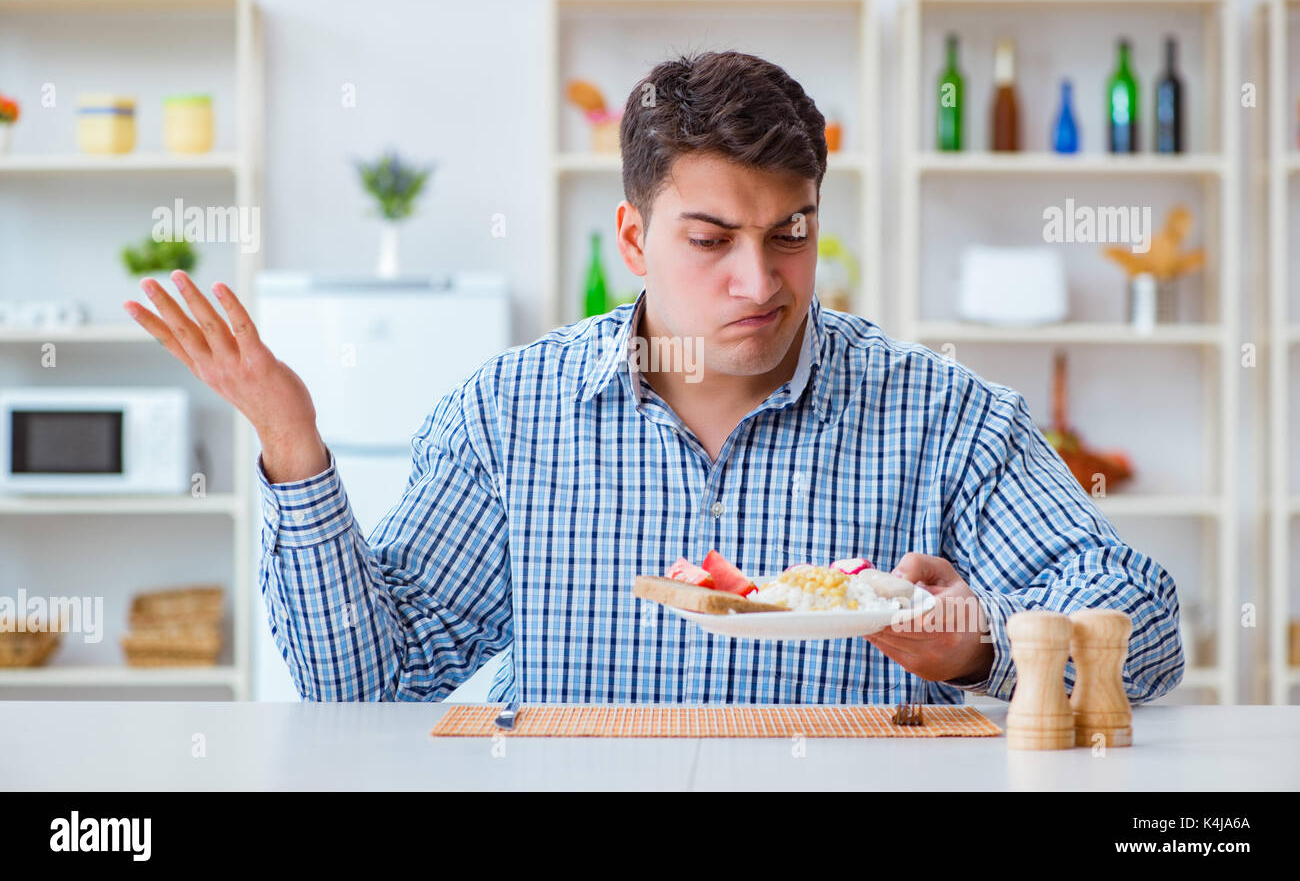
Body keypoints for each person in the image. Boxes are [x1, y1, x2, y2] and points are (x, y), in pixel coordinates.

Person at [123, 50, 1184, 704]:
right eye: (710, 239)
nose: (756, 281)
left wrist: (980, 647)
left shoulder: (941, 415)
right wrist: (294, 449)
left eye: (790, 235)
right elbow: (368, 684)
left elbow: (1148, 628)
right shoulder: (509, 417)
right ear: (632, 237)